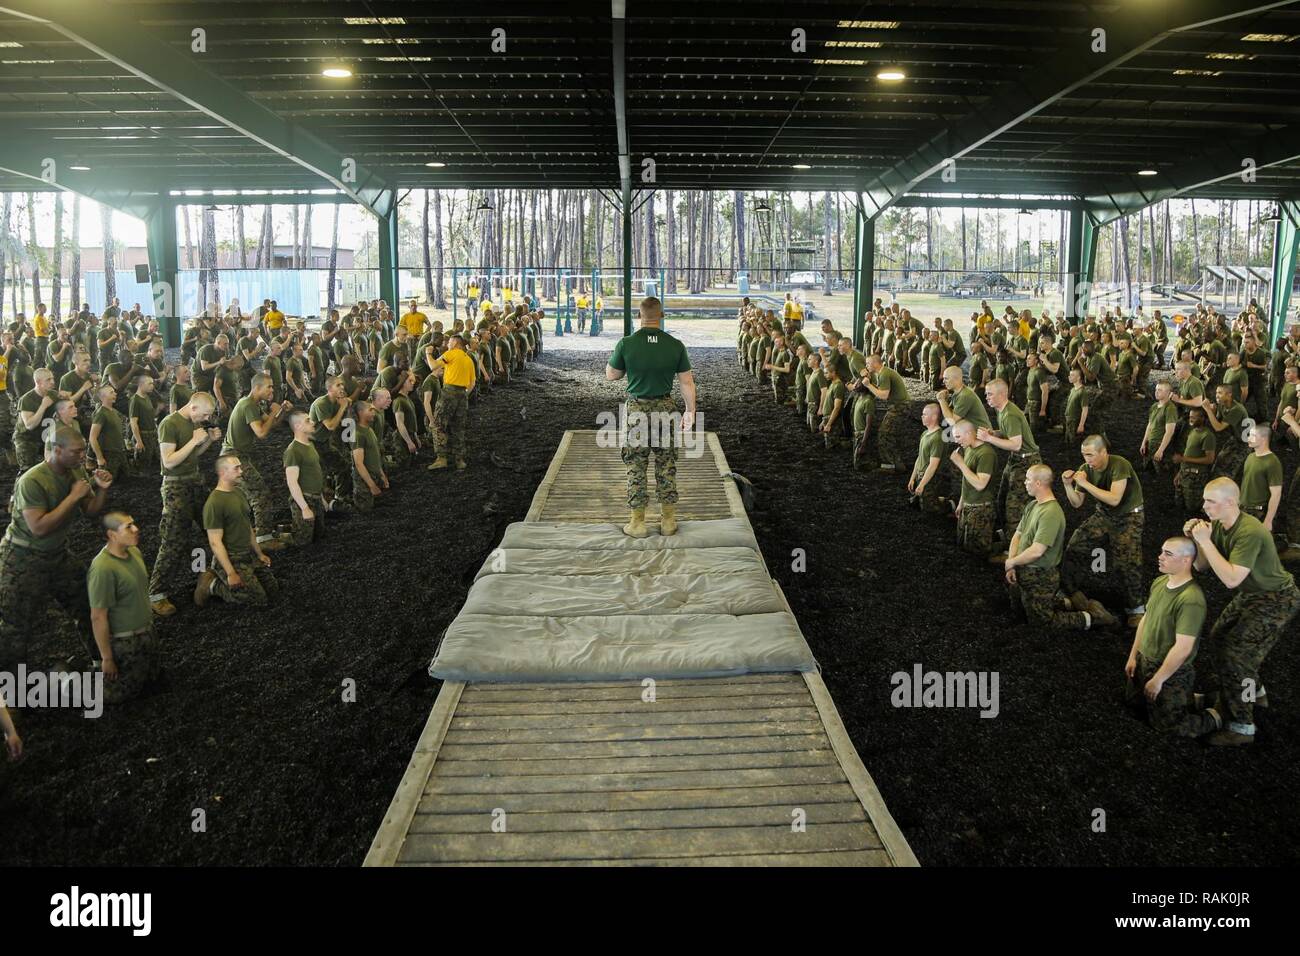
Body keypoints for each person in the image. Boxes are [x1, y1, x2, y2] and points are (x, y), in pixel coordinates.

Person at [1186, 478, 1300, 745]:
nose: (1204, 506)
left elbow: (1231, 579)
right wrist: (1198, 540)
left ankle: (1242, 726)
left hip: (1277, 599)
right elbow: (1201, 567)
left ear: (1230, 503)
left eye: (1210, 501)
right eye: (1204, 500)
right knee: (1218, 637)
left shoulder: (1250, 532)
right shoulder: (1218, 525)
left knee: (1238, 655)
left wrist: (1206, 542)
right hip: (1252, 594)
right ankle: (1254, 694)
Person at [0, 427, 112, 670]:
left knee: (87, 602)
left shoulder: (76, 470)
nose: (82, 456)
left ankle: (100, 661)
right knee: (14, 626)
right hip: (22, 559)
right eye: (76, 451)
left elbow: (90, 510)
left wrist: (102, 489)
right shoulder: (31, 481)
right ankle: (10, 685)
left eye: (83, 450)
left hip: (57, 554)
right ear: (57, 450)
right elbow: (39, 527)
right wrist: (72, 497)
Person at [605, 296, 696, 537]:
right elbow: (686, 382)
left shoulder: (626, 344)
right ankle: (668, 521)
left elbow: (612, 375)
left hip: (637, 410)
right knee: (666, 464)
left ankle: (637, 523)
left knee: (636, 464)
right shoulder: (675, 345)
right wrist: (690, 411)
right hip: (666, 408)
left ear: (639, 316)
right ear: (662, 316)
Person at [1123, 537, 1220, 737]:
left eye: (1168, 554)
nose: (1160, 557)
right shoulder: (1160, 582)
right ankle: (1188, 699)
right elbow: (1146, 620)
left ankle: (1216, 716)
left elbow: (1183, 648)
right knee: (1134, 704)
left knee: (1168, 726)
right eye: (1162, 551)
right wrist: (1133, 656)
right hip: (1145, 660)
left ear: (1186, 560)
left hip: (1170, 670)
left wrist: (1158, 679)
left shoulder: (1191, 600)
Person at [149, 392, 222, 617]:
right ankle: (156, 594)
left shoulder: (193, 422)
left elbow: (192, 455)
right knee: (174, 540)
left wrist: (208, 441)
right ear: (193, 407)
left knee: (213, 527)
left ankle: (208, 573)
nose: (206, 419)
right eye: (205, 414)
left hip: (195, 482)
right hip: (175, 487)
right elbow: (169, 461)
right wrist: (194, 440)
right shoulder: (169, 424)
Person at [1061, 435, 1146, 628]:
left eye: (1090, 455)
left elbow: (1115, 499)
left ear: (1104, 452)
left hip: (1128, 517)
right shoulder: (1085, 469)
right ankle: (1070, 590)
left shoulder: (1119, 465)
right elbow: (1077, 503)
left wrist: (1085, 484)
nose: (1086, 459)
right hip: (1104, 515)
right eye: (1084, 455)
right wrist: (1067, 485)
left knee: (1127, 562)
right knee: (1076, 545)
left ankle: (1136, 609)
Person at [1004, 463, 1096, 631]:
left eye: (1028, 479)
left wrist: (1012, 562)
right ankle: (1062, 603)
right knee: (1019, 610)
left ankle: (1089, 618)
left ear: (1038, 483)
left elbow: (1037, 551)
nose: (1025, 482)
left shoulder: (1051, 513)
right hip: (1023, 568)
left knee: (1041, 623)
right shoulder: (1033, 505)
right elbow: (1017, 535)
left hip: (1040, 575)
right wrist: (1011, 563)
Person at [86, 512, 161, 703]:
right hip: (125, 642)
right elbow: (98, 616)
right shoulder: (102, 569)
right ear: (112, 535)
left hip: (147, 634)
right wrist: (107, 658)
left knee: (152, 682)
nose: (136, 529)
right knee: (117, 695)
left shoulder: (134, 552)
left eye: (133, 524)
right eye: (128, 527)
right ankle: (63, 683)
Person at [196, 455, 279, 608]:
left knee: (273, 590)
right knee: (258, 599)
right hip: (232, 558)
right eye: (236, 468)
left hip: (248, 553)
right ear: (222, 472)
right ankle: (212, 585)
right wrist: (230, 573)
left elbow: (247, 526)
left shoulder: (239, 492)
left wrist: (259, 553)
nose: (241, 471)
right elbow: (215, 542)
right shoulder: (214, 503)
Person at [221, 373, 293, 551]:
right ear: (257, 388)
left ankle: (248, 533)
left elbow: (271, 424)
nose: (272, 390)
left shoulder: (252, 404)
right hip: (234, 458)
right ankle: (263, 538)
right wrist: (274, 412)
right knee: (260, 493)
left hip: (234, 457)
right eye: (269, 386)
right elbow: (261, 433)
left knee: (244, 496)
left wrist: (281, 412)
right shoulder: (248, 406)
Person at [979, 378, 1042, 558]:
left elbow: (1015, 444)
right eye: (987, 394)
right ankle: (1008, 537)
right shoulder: (1002, 410)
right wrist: (995, 433)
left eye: (990, 394)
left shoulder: (1010, 414)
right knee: (1002, 498)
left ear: (1002, 394)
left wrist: (989, 438)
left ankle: (1013, 552)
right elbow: (1009, 434)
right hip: (1016, 460)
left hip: (1026, 463)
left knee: (1014, 507)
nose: (987, 397)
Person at [426, 334, 477, 471]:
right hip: (463, 395)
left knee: (438, 425)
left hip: (449, 392)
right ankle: (459, 460)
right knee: (458, 428)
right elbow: (472, 383)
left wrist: (428, 353)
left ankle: (441, 458)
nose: (447, 344)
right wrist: (464, 394)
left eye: (449, 342)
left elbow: (433, 366)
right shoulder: (468, 359)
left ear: (455, 343)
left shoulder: (451, 354)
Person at [950, 420, 997, 557]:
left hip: (980, 508)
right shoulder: (968, 448)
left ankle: (1000, 544)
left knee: (978, 552)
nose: (956, 441)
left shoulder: (986, 454)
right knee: (963, 545)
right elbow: (967, 479)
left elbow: (980, 484)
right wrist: (961, 502)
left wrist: (960, 464)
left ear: (969, 433)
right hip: (968, 505)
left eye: (958, 436)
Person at [283, 410, 327, 547]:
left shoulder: (310, 445)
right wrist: (304, 508)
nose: (313, 422)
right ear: (298, 426)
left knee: (319, 536)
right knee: (303, 542)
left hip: (316, 499)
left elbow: (314, 473)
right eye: (308, 420)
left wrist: (321, 498)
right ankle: (281, 537)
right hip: (304, 500)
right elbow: (292, 483)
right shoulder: (293, 451)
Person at [1239, 424, 1284, 541]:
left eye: (1253, 436)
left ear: (1264, 439)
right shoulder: (1250, 457)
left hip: (1258, 512)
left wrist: (1268, 520)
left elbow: (1276, 494)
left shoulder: (1272, 462)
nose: (1249, 438)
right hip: (1243, 509)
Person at [1173, 406, 1216, 515]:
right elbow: (1188, 452)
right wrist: (1180, 473)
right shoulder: (1192, 432)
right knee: (1179, 505)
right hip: (1185, 475)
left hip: (1195, 478)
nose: (1190, 420)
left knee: (1193, 509)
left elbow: (1209, 459)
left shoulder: (1207, 436)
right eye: (1190, 417)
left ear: (1202, 418)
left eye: (1194, 417)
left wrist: (1183, 459)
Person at [13, 367, 57, 471]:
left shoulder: (53, 394)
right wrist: (43, 406)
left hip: (46, 435)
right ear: (38, 382)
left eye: (52, 378)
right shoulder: (26, 399)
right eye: (48, 380)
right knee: (28, 471)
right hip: (27, 439)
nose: (52, 382)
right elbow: (30, 425)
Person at [907, 402, 947, 514]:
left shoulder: (938, 438)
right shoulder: (925, 433)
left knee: (929, 509)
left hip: (931, 477)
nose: (922, 416)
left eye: (925, 414)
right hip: (921, 474)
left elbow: (933, 465)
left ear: (934, 417)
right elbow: (920, 457)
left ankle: (949, 504)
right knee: (919, 504)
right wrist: (913, 477)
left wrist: (922, 484)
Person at [348, 401, 388, 510]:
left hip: (374, 476)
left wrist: (382, 474)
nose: (374, 412)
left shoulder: (369, 429)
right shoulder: (357, 434)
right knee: (365, 510)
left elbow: (375, 455)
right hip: (364, 482)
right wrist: (372, 485)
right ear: (360, 413)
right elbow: (359, 464)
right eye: (370, 410)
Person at [1139, 381, 1178, 472]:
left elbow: (1169, 432)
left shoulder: (1170, 409)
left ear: (1168, 393)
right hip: (1150, 444)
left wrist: (1161, 450)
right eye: (1156, 390)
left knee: (1161, 472)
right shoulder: (1154, 406)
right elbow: (1150, 425)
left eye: (1160, 390)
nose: (1156, 392)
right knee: (1147, 470)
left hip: (1159, 444)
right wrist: (1144, 442)